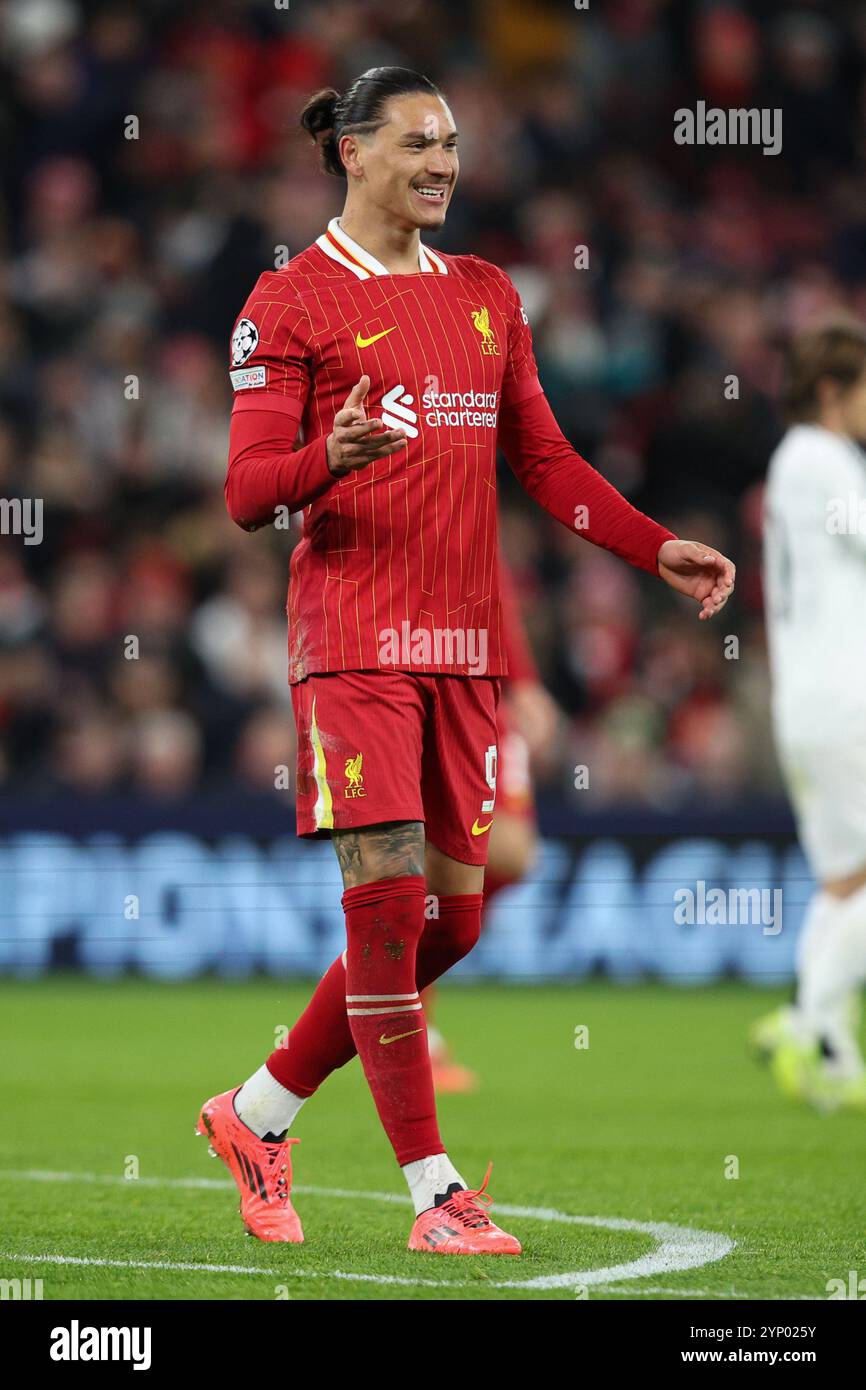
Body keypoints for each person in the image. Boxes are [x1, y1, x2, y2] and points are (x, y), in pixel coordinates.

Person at [197, 66, 735, 1255]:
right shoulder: (285, 304)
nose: (443, 163)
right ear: (350, 151)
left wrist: (654, 550)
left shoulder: (489, 294)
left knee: (455, 923)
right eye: (416, 142)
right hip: (350, 643)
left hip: (465, 653)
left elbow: (541, 461)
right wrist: (323, 458)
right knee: (385, 909)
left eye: (451, 144)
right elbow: (244, 492)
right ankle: (435, 1193)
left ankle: (255, 1112)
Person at [754, 322, 866, 1111]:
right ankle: (807, 1020)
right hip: (844, 691)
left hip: (808, 696)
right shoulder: (820, 457)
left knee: (844, 881)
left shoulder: (792, 460)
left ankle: (825, 1045)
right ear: (832, 391)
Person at [425, 554, 559, 1093]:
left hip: (484, 682)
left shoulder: (463, 494)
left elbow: (490, 581)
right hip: (425, 678)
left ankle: (394, 992)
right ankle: (409, 1022)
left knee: (511, 856)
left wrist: (523, 680)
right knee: (450, 860)